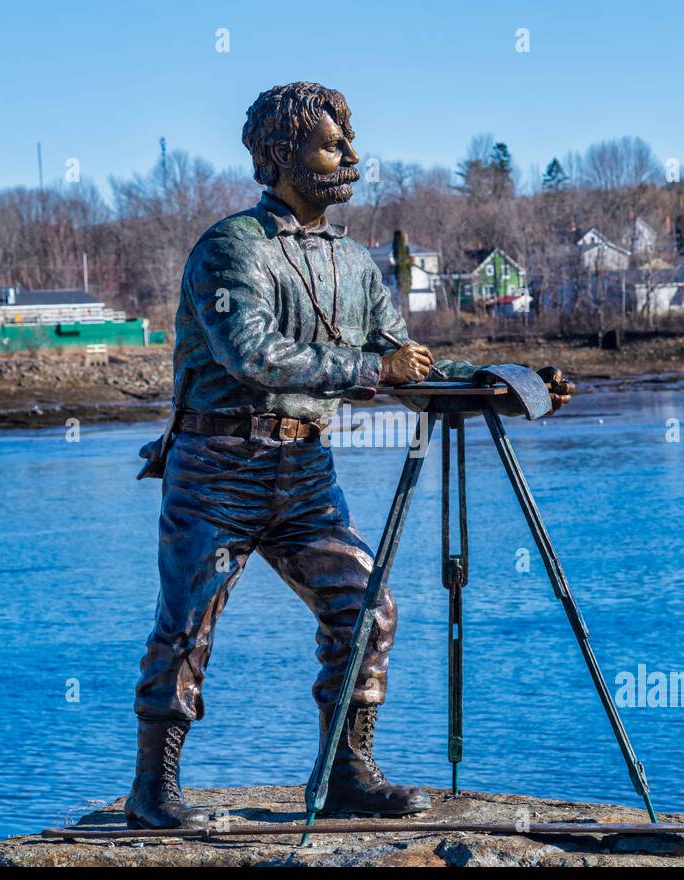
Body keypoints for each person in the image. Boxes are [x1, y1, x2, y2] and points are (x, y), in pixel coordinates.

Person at [126, 81, 574, 828]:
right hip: (216, 466)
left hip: (303, 470)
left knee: (367, 608)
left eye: (348, 143)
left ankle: (345, 773)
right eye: (333, 146)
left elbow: (407, 363)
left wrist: (504, 385)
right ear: (281, 155)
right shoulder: (231, 249)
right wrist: (373, 372)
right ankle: (154, 790)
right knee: (187, 623)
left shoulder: (356, 265)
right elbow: (253, 355)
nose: (351, 158)